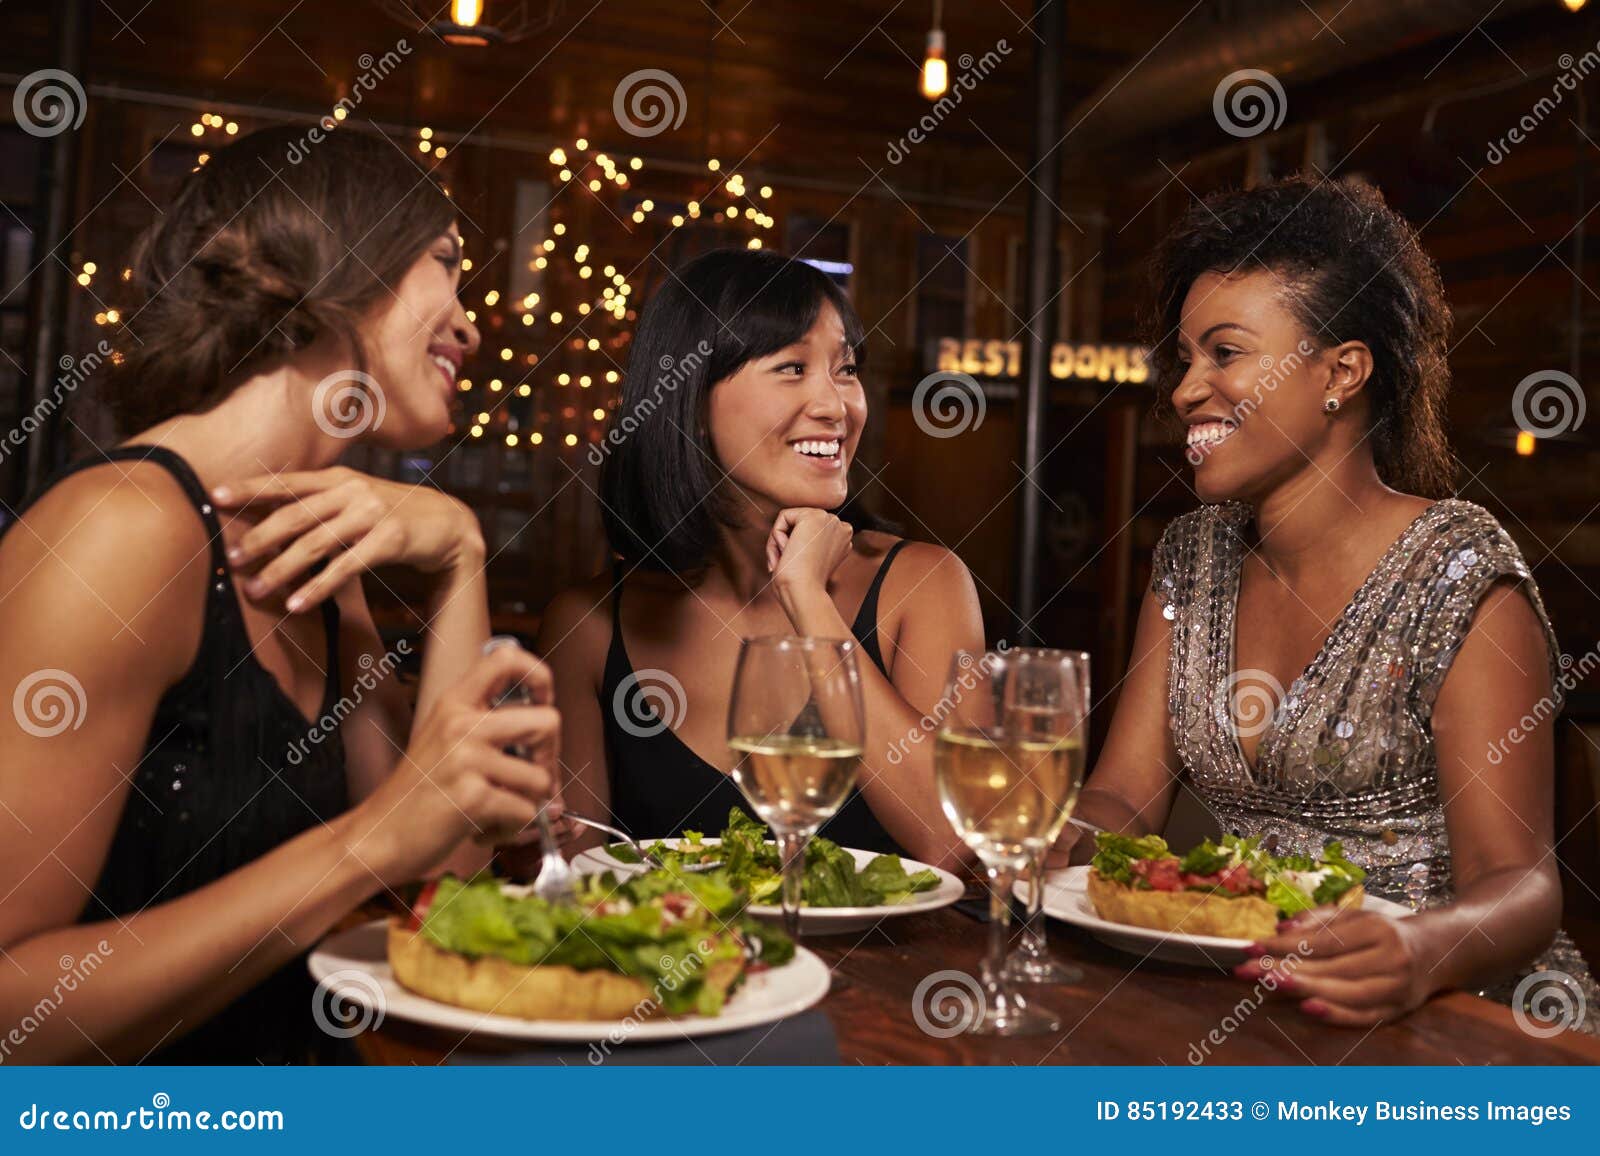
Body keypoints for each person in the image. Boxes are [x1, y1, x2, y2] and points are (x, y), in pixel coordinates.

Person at [0, 127, 559, 1063]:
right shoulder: (121, 534)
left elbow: (443, 881)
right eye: (445, 264)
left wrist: (462, 551)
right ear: (337, 264)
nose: (469, 322)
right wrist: (367, 840)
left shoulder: (320, 570)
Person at [1062, 174, 1598, 1031]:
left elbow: (1523, 884)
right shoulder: (1190, 557)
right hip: (1256, 998)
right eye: (1186, 358)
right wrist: (1046, 841)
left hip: (1465, 1019)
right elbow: (1124, 797)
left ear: (1341, 372)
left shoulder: (1457, 570)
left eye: (1225, 353)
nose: (1186, 389)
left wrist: (1424, 952)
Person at [539, 249, 979, 868]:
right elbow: (573, 884)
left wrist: (809, 603)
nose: (837, 406)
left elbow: (960, 841)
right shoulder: (590, 626)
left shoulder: (923, 585)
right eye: (793, 367)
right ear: (690, 400)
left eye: (846, 369)